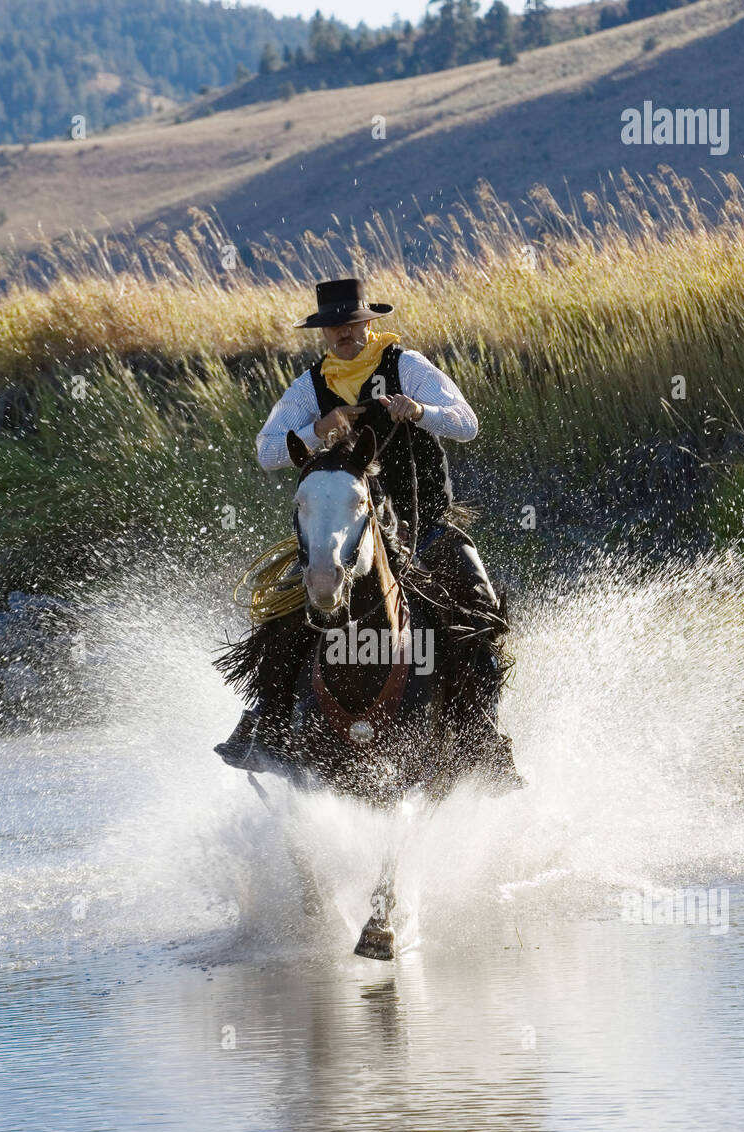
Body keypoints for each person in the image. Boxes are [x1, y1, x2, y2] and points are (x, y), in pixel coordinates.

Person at [215, 277, 519, 788]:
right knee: (279, 620)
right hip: (344, 534)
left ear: (369, 322)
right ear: (324, 332)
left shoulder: (407, 364)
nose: (344, 334)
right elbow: (267, 451)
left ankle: (482, 738)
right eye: (334, 327)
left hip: (424, 528)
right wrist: (319, 428)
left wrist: (420, 411)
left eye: (352, 324)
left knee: (479, 615)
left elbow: (466, 423)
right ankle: (265, 728)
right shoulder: (309, 387)